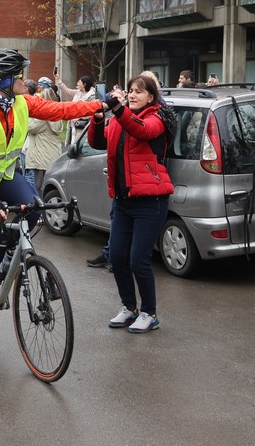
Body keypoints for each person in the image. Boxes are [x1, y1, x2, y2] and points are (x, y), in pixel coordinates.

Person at [0, 49, 104, 340]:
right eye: (19, 74)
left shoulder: (20, 102)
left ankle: (9, 254)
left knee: (35, 213)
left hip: (6, 175)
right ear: (3, 80)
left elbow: (60, 111)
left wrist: (100, 104)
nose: (25, 78)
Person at [89, 74, 174, 333]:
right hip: (124, 201)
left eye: (139, 91)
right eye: (130, 91)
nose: (133, 95)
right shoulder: (119, 120)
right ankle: (130, 307)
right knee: (117, 256)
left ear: (151, 96)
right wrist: (98, 117)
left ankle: (150, 312)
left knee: (139, 260)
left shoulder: (157, 118)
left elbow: (141, 130)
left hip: (151, 202)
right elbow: (97, 142)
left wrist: (118, 109)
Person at [24, 87, 64, 195]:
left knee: (38, 186)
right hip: (52, 154)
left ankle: (40, 210)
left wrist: (29, 114)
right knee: (47, 186)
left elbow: (28, 127)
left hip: (40, 155)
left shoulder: (42, 116)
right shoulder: (56, 113)